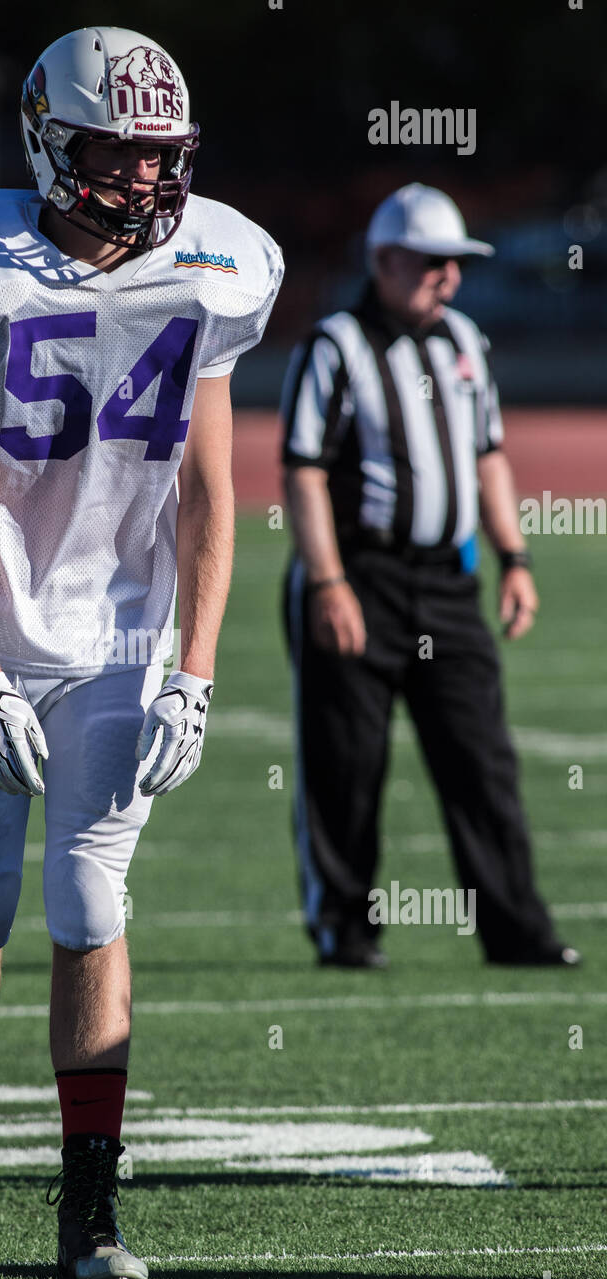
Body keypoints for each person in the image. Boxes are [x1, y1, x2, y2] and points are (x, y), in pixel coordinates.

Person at [0, 25, 283, 1279]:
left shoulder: (218, 263)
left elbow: (215, 497)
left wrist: (197, 668)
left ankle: (90, 1214)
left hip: (121, 630)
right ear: (52, 145)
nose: (147, 181)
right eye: (119, 154)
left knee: (92, 899)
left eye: (163, 155)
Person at [280, 183, 579, 970]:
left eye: (456, 264)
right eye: (432, 263)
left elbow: (488, 456)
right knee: (347, 762)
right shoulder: (336, 344)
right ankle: (344, 931)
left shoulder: (463, 342)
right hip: (361, 574)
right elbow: (303, 471)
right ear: (384, 261)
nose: (448, 278)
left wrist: (515, 558)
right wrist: (328, 583)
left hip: (447, 586)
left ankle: (519, 932)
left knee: (482, 759)